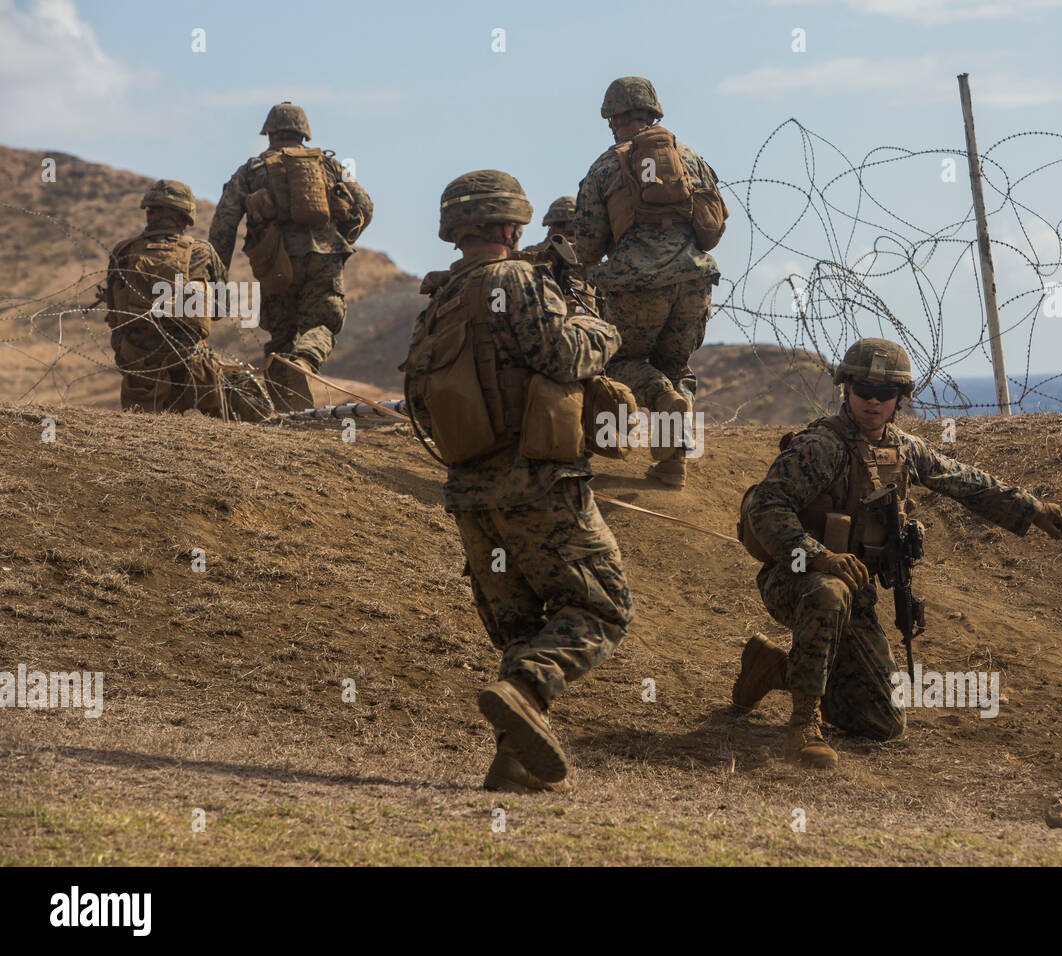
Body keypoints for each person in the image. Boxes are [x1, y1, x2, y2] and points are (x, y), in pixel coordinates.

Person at [733, 338, 1062, 769]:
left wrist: (1033, 509)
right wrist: (818, 555)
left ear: (900, 398)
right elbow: (767, 506)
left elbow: (964, 480)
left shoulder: (904, 450)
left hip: (855, 596)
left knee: (883, 722)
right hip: (796, 579)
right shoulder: (819, 447)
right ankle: (805, 724)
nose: (872, 402)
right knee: (829, 591)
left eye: (885, 393)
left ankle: (773, 669)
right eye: (863, 390)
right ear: (846, 389)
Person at [404, 170, 633, 792]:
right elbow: (563, 355)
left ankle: (513, 763)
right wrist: (602, 328)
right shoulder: (516, 282)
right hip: (537, 484)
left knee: (524, 629)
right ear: (510, 225)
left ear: (457, 228)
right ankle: (524, 688)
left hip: (471, 495)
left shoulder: (440, 301)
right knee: (601, 605)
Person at [572, 77, 727, 488]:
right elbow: (714, 225)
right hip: (695, 281)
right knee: (676, 367)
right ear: (654, 113)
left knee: (618, 361)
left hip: (635, 285)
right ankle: (673, 461)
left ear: (615, 118)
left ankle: (657, 399)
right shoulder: (691, 158)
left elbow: (587, 245)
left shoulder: (606, 166)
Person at [209, 101, 373, 411]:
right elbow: (365, 206)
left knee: (281, 330)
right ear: (304, 134)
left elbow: (224, 225)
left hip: (276, 261)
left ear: (269, 133)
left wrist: (218, 284)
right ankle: (304, 363)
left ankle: (283, 409)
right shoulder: (332, 166)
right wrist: (342, 240)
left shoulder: (251, 170)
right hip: (325, 257)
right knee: (323, 321)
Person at [102, 180, 269, 420]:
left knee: (141, 426)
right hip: (191, 364)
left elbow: (115, 314)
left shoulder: (124, 251)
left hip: (141, 366)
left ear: (149, 214)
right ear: (185, 219)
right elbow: (219, 310)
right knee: (245, 393)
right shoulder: (202, 252)